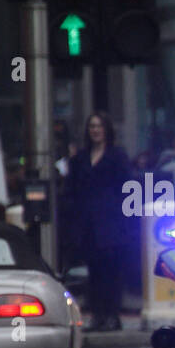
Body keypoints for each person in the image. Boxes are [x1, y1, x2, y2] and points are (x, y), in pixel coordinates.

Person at [60, 111, 132, 330]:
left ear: (107, 130)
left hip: (112, 224)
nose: (95, 130)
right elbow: (71, 189)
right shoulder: (80, 158)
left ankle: (112, 315)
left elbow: (126, 188)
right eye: (92, 126)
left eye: (99, 126)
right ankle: (98, 315)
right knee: (94, 272)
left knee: (112, 271)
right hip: (88, 225)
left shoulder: (117, 156)